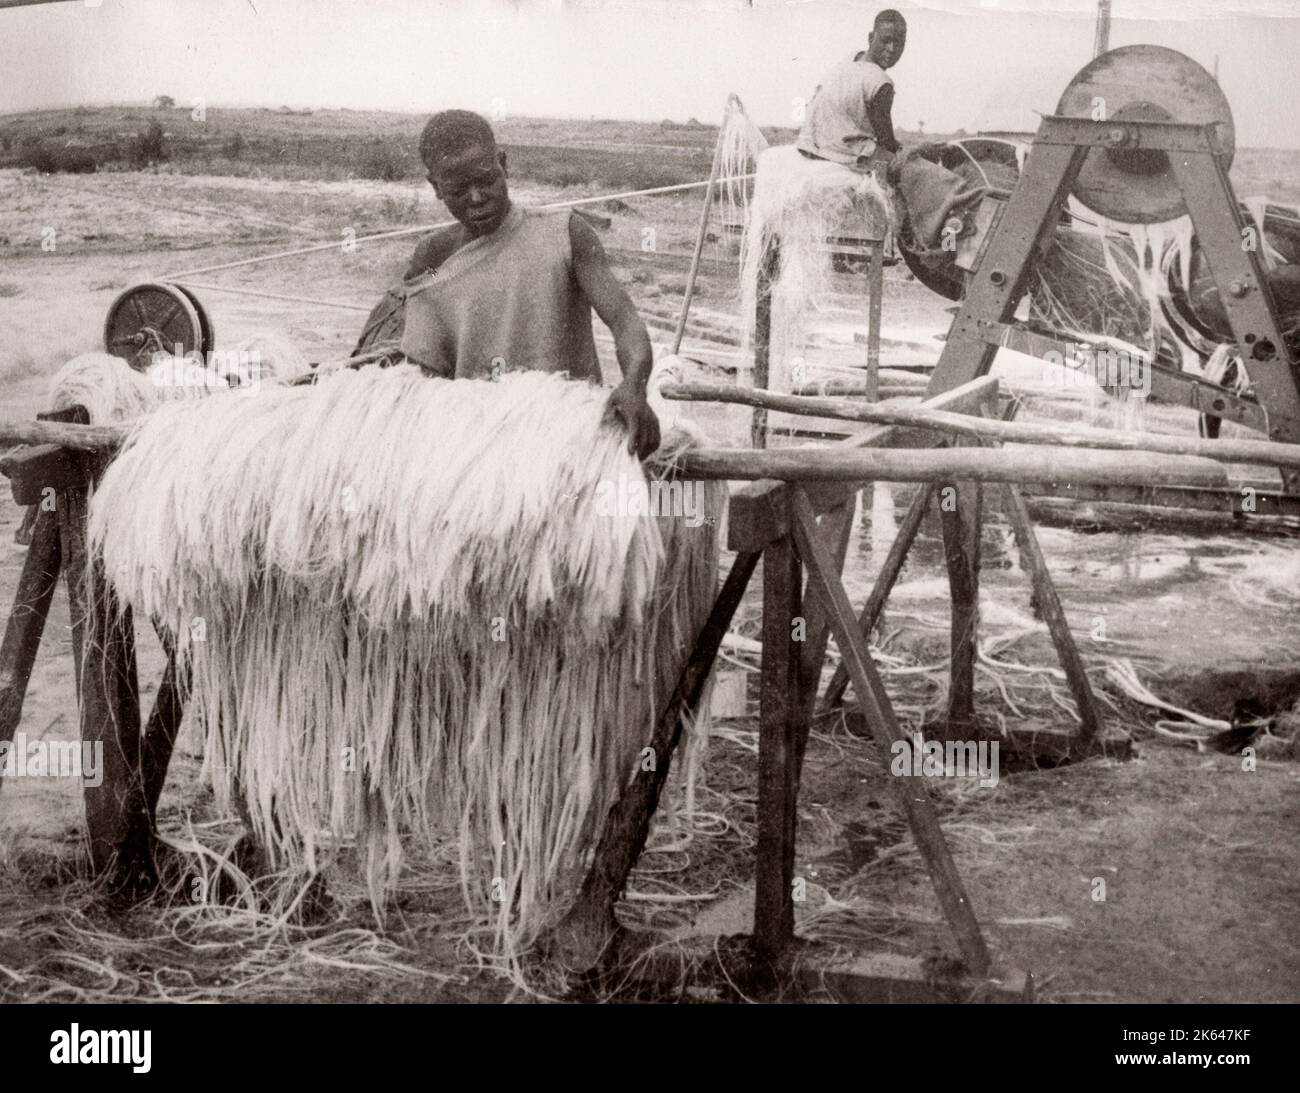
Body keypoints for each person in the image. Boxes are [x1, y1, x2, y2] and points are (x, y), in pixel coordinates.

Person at [396, 109, 660, 458]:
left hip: (567, 443)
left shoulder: (565, 234)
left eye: (486, 179)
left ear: (503, 163)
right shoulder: (432, 259)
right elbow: (423, 368)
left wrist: (634, 385)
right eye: (458, 189)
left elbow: (625, 322)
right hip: (472, 450)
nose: (476, 197)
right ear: (435, 187)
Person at [795, 9, 907, 173]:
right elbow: (886, 142)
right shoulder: (881, 82)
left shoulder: (852, 59)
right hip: (841, 152)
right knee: (907, 166)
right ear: (871, 38)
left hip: (809, 143)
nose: (891, 48)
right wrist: (902, 150)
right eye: (886, 41)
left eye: (899, 42)